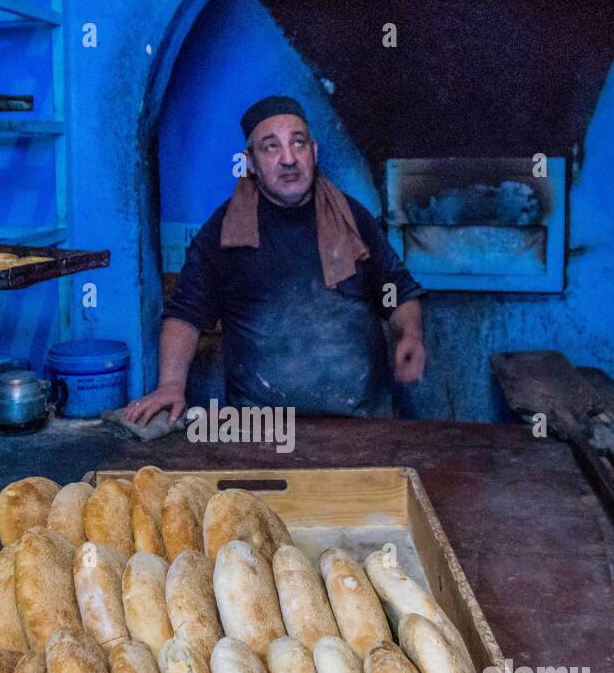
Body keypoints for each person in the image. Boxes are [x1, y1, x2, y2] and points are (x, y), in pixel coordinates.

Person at [124, 94, 426, 425]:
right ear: (250, 162)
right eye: (271, 147)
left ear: (314, 152)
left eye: (298, 144)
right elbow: (186, 314)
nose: (288, 159)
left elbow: (396, 291)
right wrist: (170, 385)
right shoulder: (224, 233)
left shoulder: (352, 219)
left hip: (362, 422)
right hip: (262, 430)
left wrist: (409, 334)